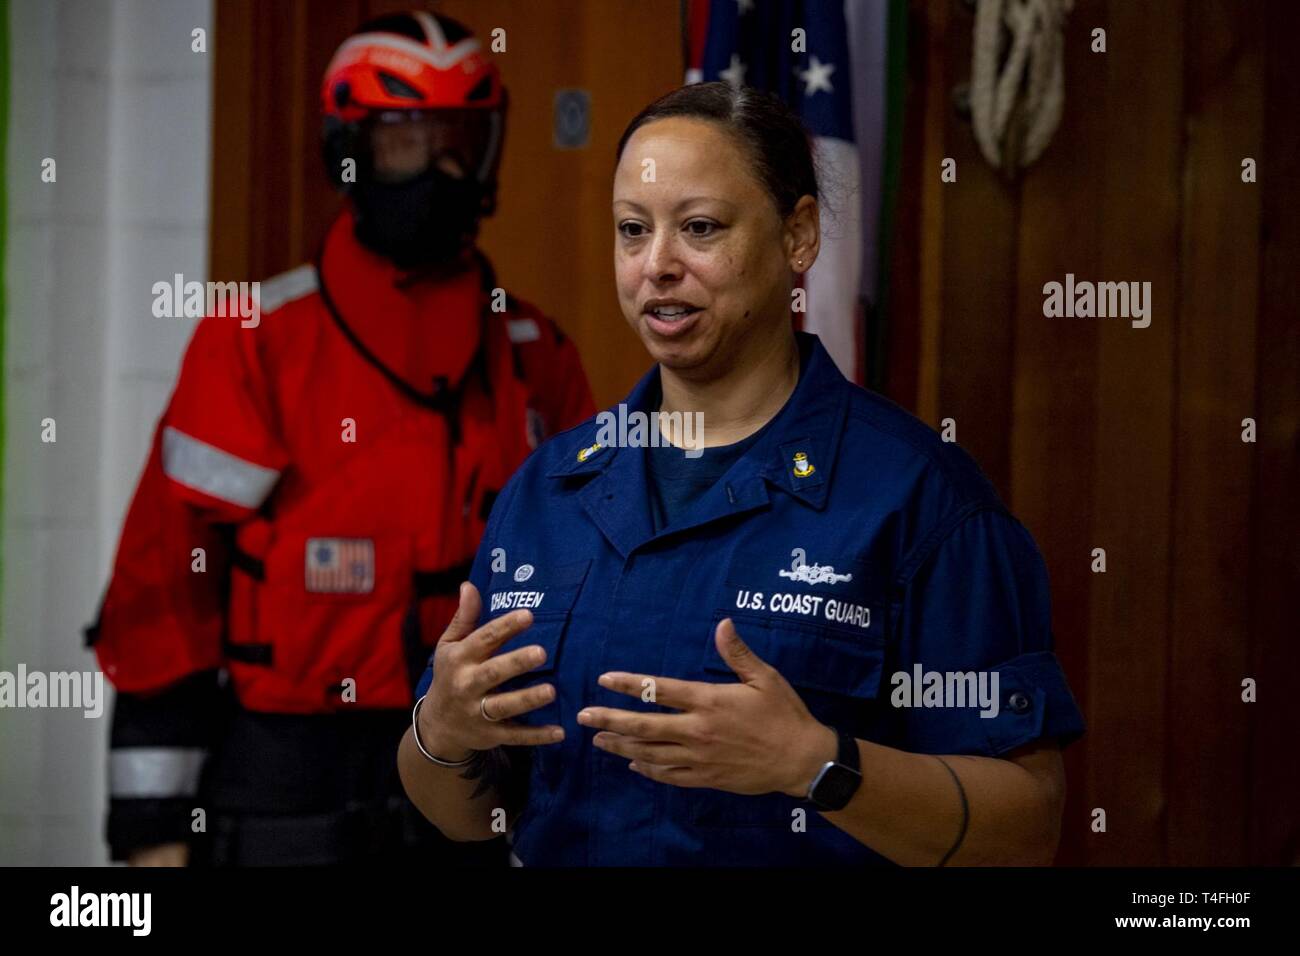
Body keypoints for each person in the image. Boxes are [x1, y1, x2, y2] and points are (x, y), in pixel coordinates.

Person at [398, 81, 1085, 866]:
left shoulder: (920, 501)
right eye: (632, 231)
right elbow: (465, 816)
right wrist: (440, 734)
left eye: (699, 228)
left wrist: (814, 764)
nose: (657, 266)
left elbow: (1027, 828)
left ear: (798, 236)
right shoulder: (548, 489)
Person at [88, 10, 594, 866]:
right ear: (348, 150)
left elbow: (587, 595)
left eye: (457, 142)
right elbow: (163, 592)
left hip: (471, 773)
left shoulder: (534, 354)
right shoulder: (255, 339)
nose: (436, 168)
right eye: (406, 140)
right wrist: (154, 834)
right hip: (284, 785)